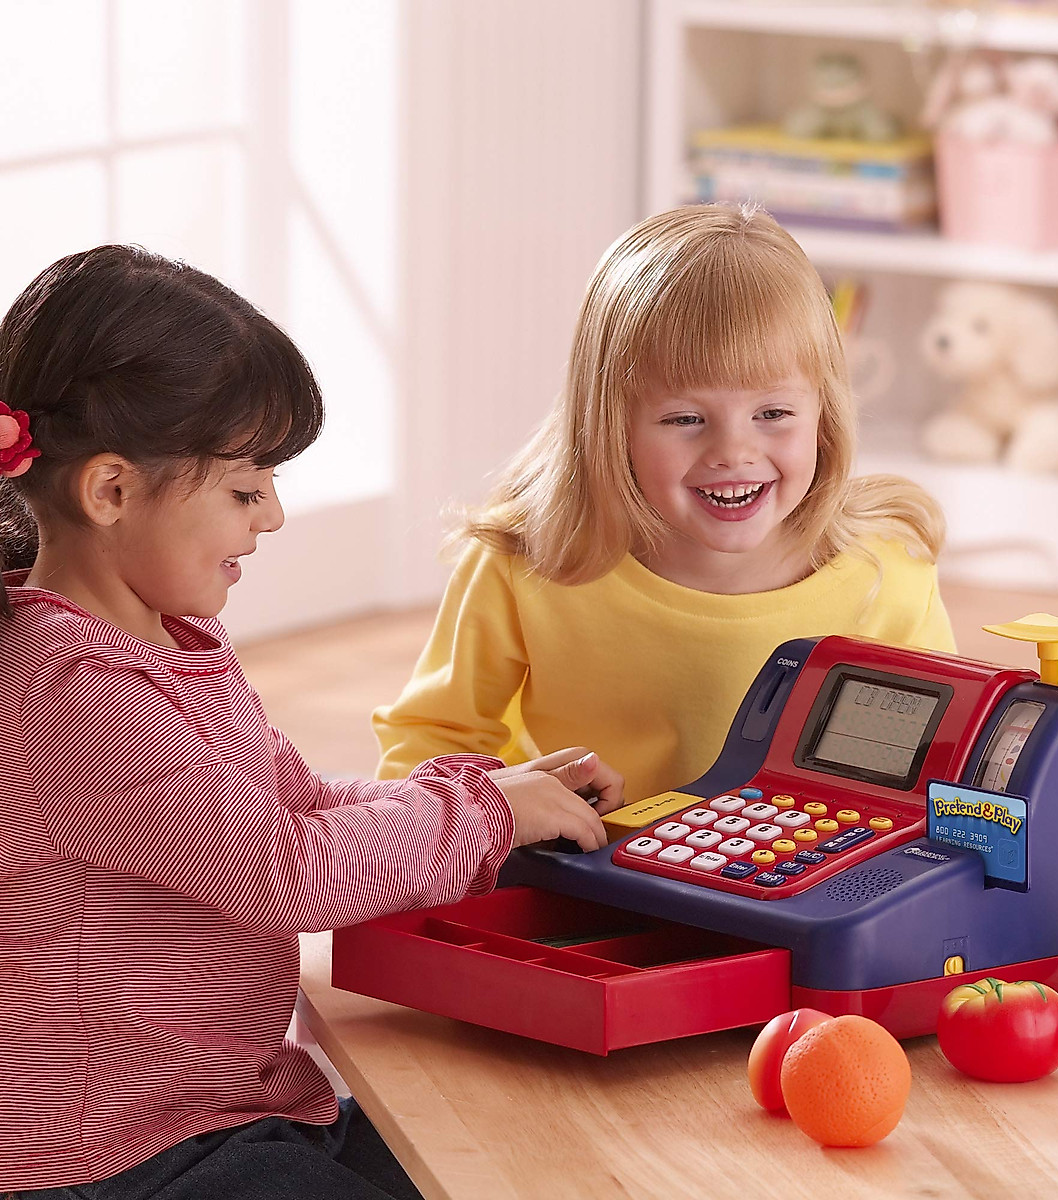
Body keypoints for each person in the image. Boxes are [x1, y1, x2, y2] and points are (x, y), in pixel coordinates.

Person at [0, 245, 623, 1199]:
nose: (275, 516)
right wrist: (484, 819)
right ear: (111, 491)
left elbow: (290, 801)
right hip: (117, 1158)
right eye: (246, 490)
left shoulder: (164, 642)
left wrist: (484, 791)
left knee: (473, 1166)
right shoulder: (77, 695)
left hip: (219, 1107)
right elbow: (286, 870)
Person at [373, 203, 956, 804]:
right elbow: (433, 738)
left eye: (773, 413)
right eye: (684, 419)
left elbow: (940, 772)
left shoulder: (887, 570)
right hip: (588, 857)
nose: (733, 452)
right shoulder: (528, 560)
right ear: (611, 424)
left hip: (803, 861)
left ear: (824, 412)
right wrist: (490, 815)